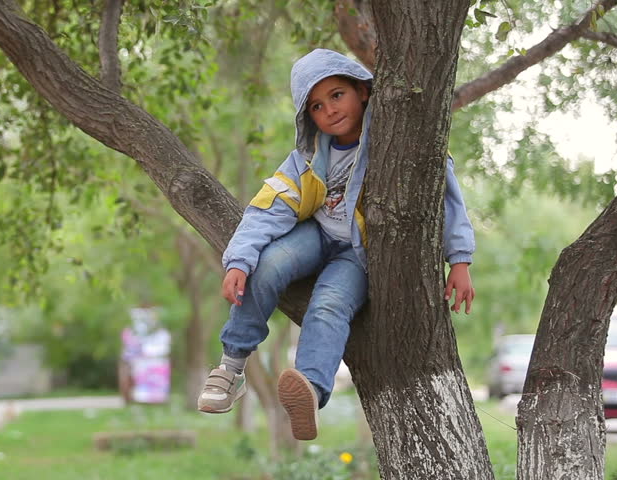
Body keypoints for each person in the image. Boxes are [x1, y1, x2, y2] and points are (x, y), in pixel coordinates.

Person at [196, 49, 476, 440]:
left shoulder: (399, 144)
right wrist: (238, 261)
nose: (329, 110)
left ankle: (309, 388)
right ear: (307, 116)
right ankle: (231, 367)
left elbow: (446, 198)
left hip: (359, 255)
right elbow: (267, 208)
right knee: (269, 263)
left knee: (329, 302)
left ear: (362, 90)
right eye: (316, 106)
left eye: (337, 95)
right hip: (318, 233)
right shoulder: (306, 159)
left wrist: (459, 260)